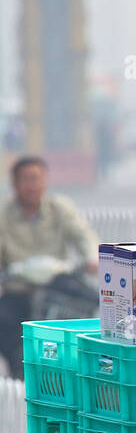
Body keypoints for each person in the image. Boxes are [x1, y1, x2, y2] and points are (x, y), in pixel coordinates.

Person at [0, 155, 98, 377]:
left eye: (37, 179)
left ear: (45, 181)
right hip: (19, 291)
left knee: (88, 308)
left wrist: (91, 257)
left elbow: (83, 235)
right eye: (26, 180)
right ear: (15, 184)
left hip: (56, 288)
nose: (32, 186)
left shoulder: (59, 208)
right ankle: (19, 375)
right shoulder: (3, 214)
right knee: (6, 325)